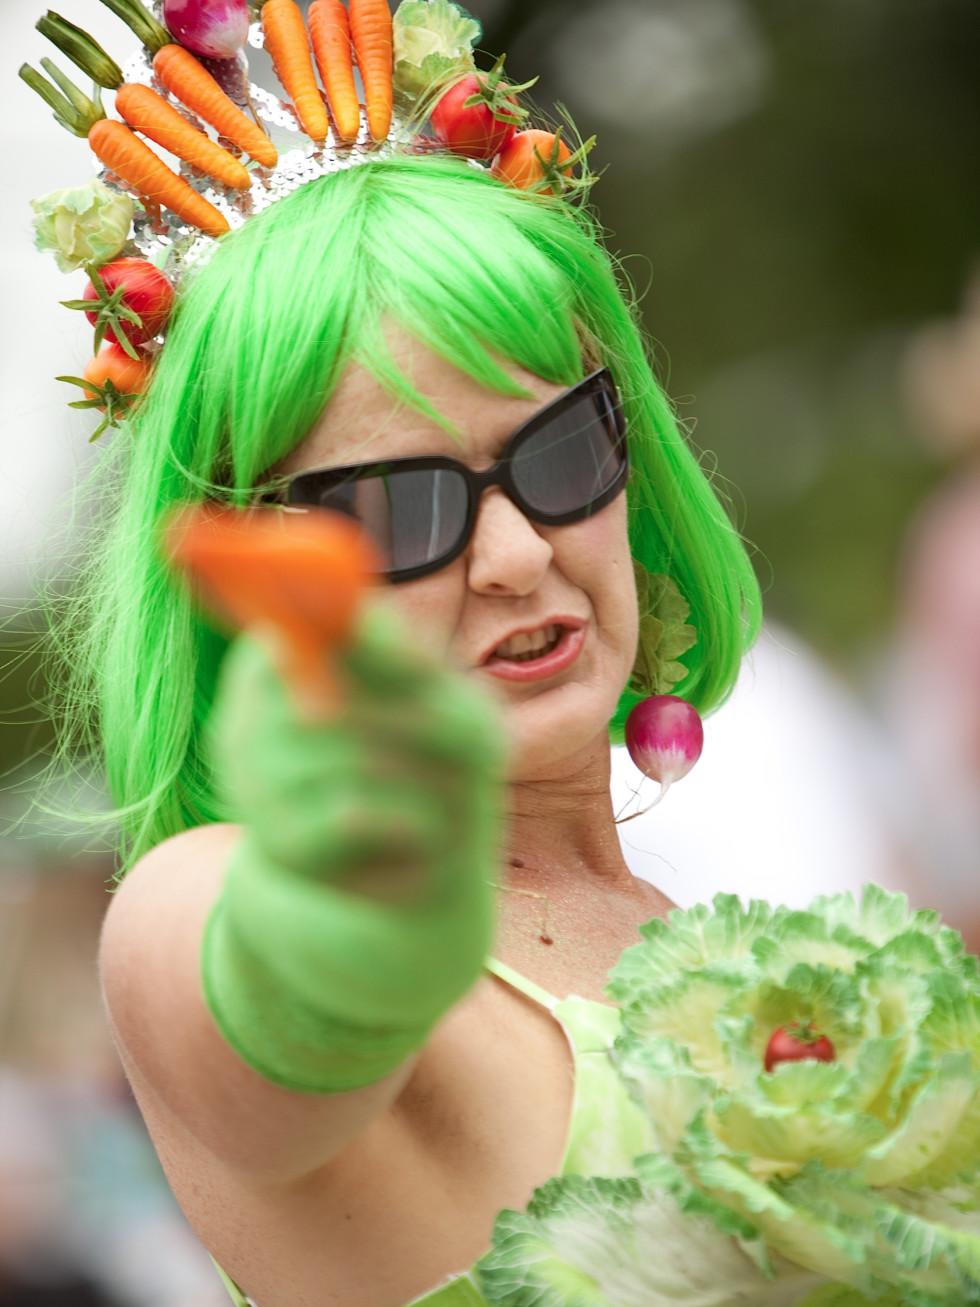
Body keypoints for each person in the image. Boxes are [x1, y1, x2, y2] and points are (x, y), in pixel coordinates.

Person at [64, 153, 762, 1306]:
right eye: (397, 506)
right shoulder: (199, 904)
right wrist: (358, 878)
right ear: (249, 569)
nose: (519, 554)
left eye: (561, 451)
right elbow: (293, 997)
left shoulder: (717, 929)